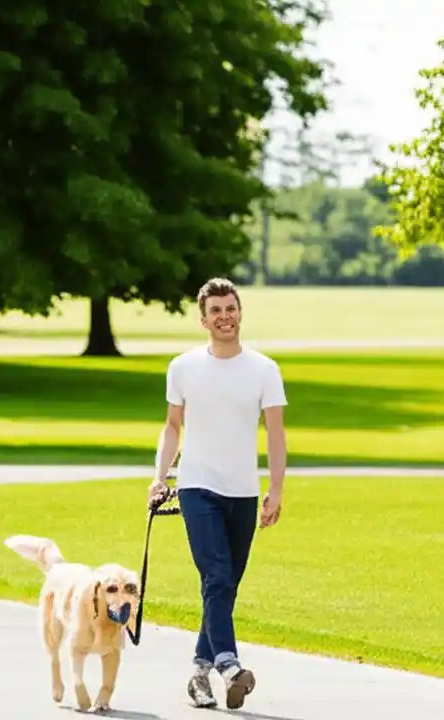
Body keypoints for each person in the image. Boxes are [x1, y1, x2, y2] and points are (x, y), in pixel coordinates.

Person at [147, 277, 287, 711]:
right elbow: (173, 426)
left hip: (243, 492)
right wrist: (160, 476)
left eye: (231, 308)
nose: (224, 317)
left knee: (223, 586)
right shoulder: (183, 367)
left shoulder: (264, 369)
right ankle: (230, 667)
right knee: (217, 576)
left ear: (239, 312)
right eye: (216, 311)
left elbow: (277, 435)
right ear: (202, 319)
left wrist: (275, 489)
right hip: (196, 486)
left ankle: (198, 675)